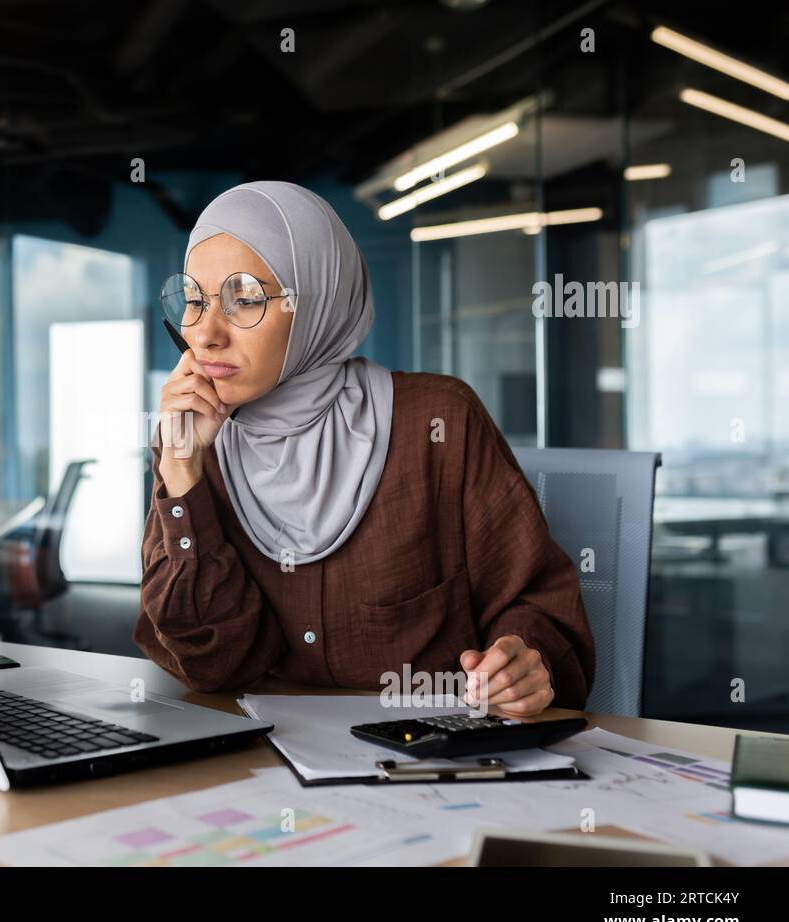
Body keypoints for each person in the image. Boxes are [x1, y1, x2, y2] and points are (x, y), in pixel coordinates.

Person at [132, 181, 593, 715]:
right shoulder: (191, 438)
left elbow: (537, 604)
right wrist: (183, 473)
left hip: (427, 767)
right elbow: (207, 665)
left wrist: (524, 663)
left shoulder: (438, 421)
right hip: (258, 763)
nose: (206, 334)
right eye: (193, 300)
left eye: (246, 299)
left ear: (318, 305)